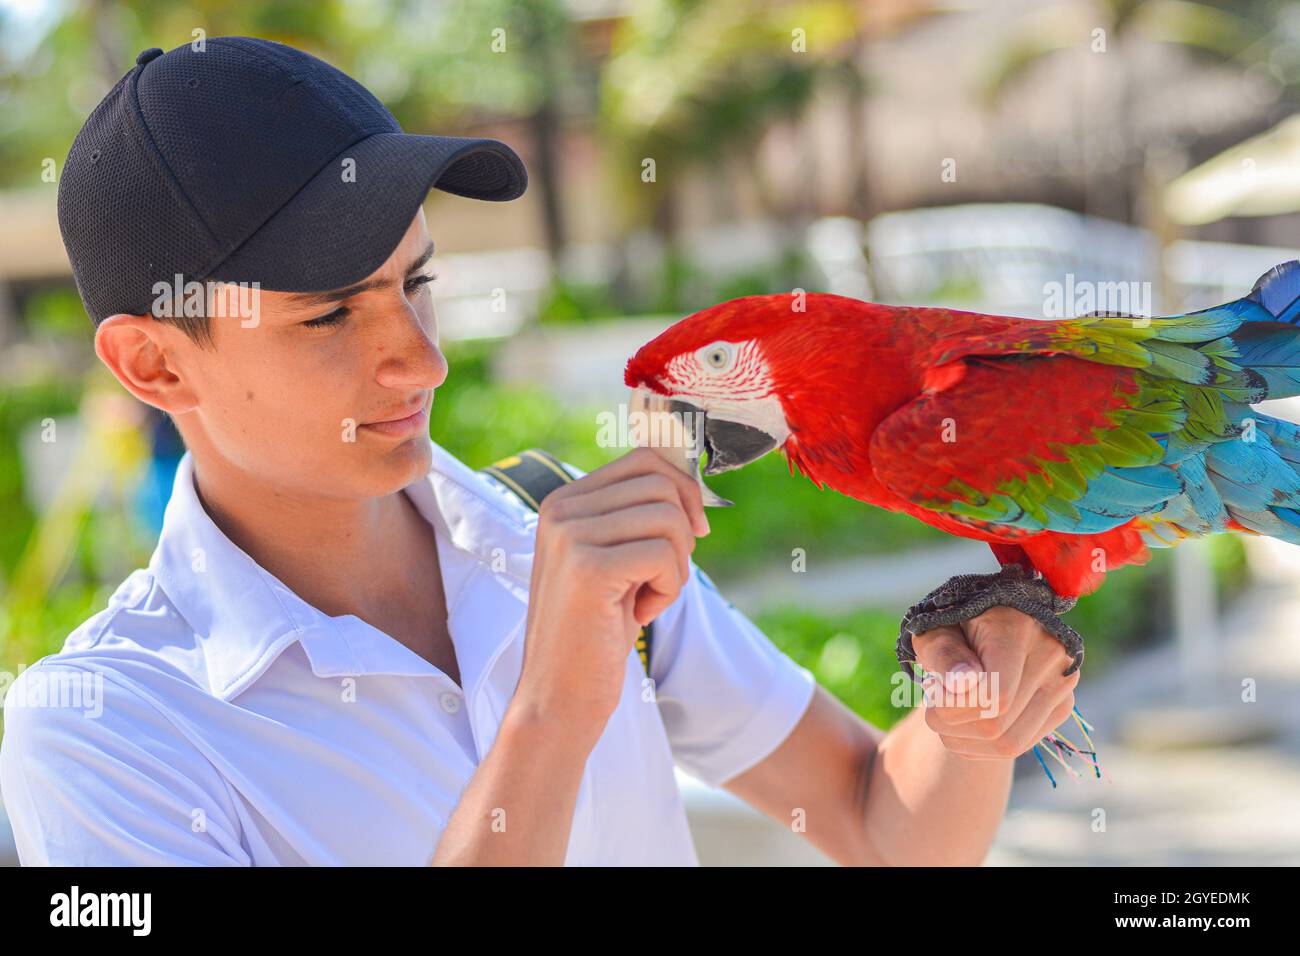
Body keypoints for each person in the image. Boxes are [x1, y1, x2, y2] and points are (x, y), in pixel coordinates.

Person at [0, 37, 1079, 866]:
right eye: (330, 315)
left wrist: (971, 720)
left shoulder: (557, 541)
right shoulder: (107, 733)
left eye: (416, 284)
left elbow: (880, 823)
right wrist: (552, 710)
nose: (418, 362)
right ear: (154, 365)